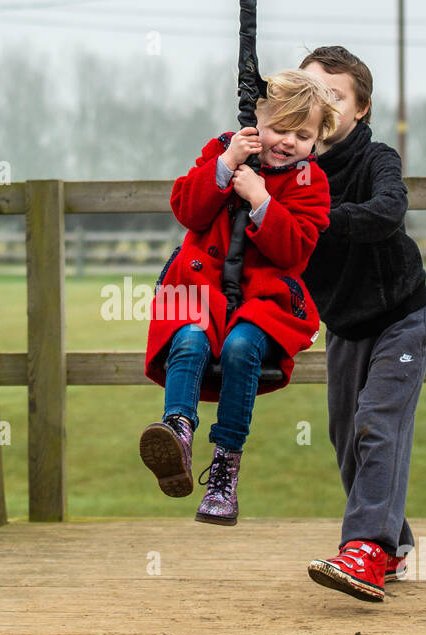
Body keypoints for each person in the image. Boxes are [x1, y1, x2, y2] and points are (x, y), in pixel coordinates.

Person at [140, 69, 337, 526]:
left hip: (263, 302)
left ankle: (226, 465)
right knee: (188, 340)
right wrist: (226, 166)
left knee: (241, 347)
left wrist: (263, 200)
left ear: (316, 141)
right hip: (198, 290)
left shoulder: (312, 181)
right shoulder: (224, 150)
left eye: (303, 135)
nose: (288, 142)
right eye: (278, 128)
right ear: (256, 120)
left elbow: (295, 250)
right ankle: (178, 433)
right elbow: (187, 210)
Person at [299, 45, 426, 602]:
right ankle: (393, 543)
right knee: (345, 436)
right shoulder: (286, 166)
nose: (322, 105)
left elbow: (386, 212)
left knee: (379, 422)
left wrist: (313, 216)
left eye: (335, 95)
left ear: (362, 109)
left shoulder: (377, 159)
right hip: (344, 323)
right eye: (309, 94)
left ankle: (366, 549)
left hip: (399, 315)